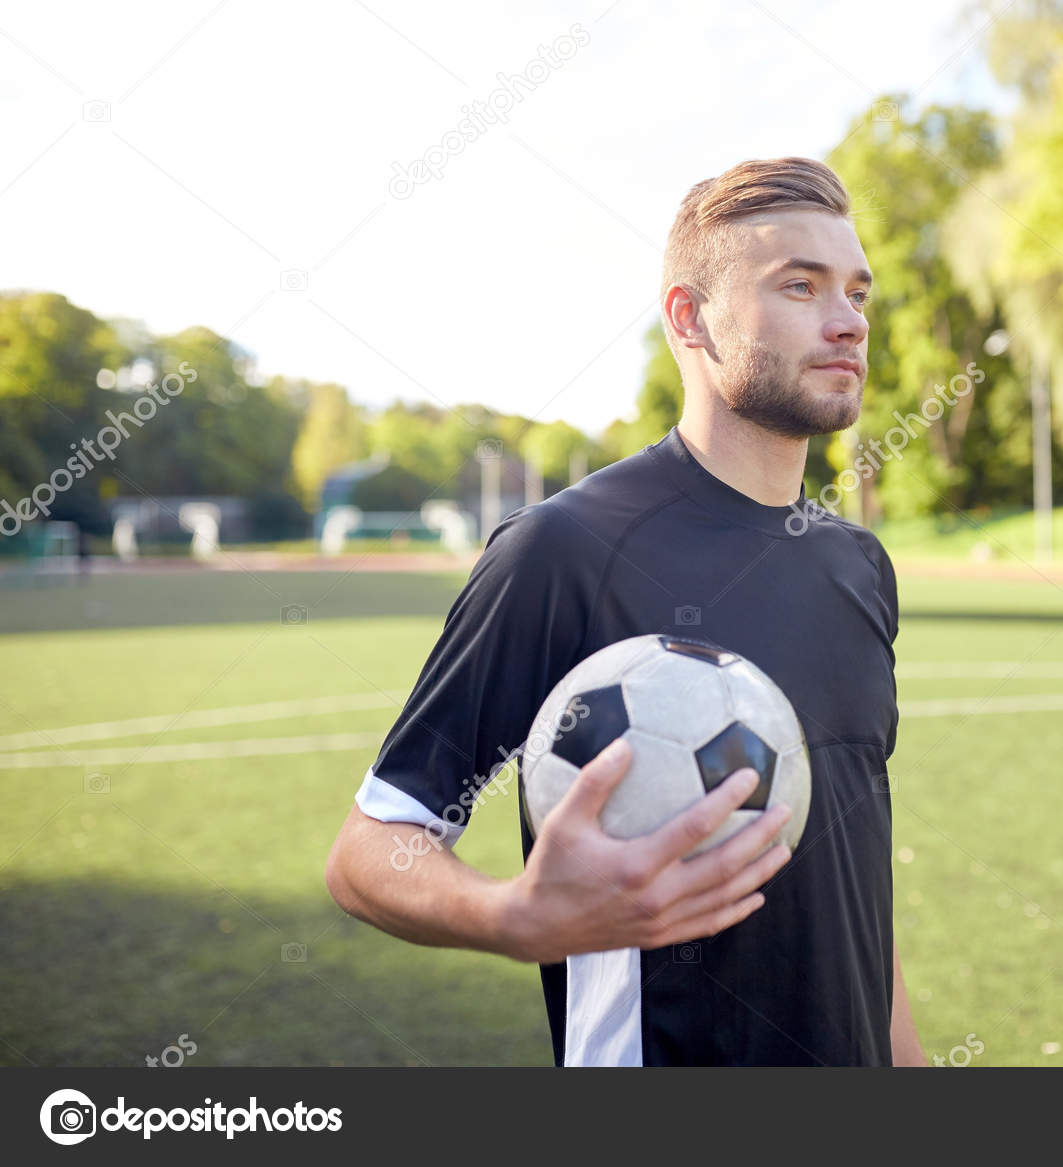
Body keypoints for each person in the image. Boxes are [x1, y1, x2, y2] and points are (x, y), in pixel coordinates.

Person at [325, 156, 921, 1067]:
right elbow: (370, 850)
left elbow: (851, 872)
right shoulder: (564, 551)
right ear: (691, 318)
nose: (847, 322)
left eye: (857, 292)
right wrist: (513, 916)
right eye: (799, 287)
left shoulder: (858, 565)